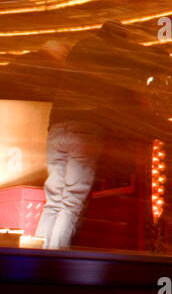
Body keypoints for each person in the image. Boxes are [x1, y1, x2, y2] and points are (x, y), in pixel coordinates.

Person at [34, 22, 159, 250]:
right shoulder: (110, 51)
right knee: (71, 202)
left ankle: (36, 255)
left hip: (56, 128)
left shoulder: (82, 48)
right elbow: (147, 58)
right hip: (83, 129)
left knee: (52, 202)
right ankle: (54, 258)